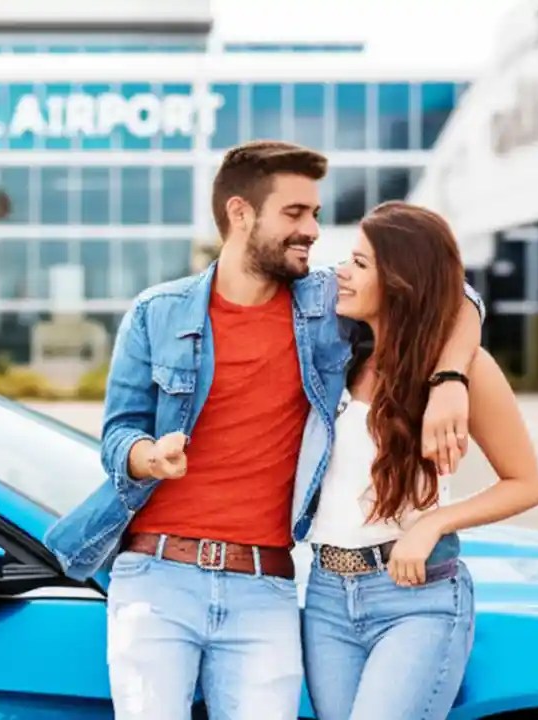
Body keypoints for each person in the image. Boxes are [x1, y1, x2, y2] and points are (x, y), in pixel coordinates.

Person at [43, 140, 488, 720]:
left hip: (266, 584)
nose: (312, 230)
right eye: (295, 213)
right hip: (156, 577)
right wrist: (145, 456)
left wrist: (451, 377)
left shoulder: (327, 307)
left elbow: (449, 291)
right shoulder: (157, 313)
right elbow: (117, 435)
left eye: (316, 214)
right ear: (240, 213)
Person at [302, 201, 538, 720]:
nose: (341, 272)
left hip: (415, 598)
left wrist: (435, 522)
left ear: (400, 282)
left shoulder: (465, 369)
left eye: (361, 264)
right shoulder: (336, 356)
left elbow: (525, 483)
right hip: (324, 598)